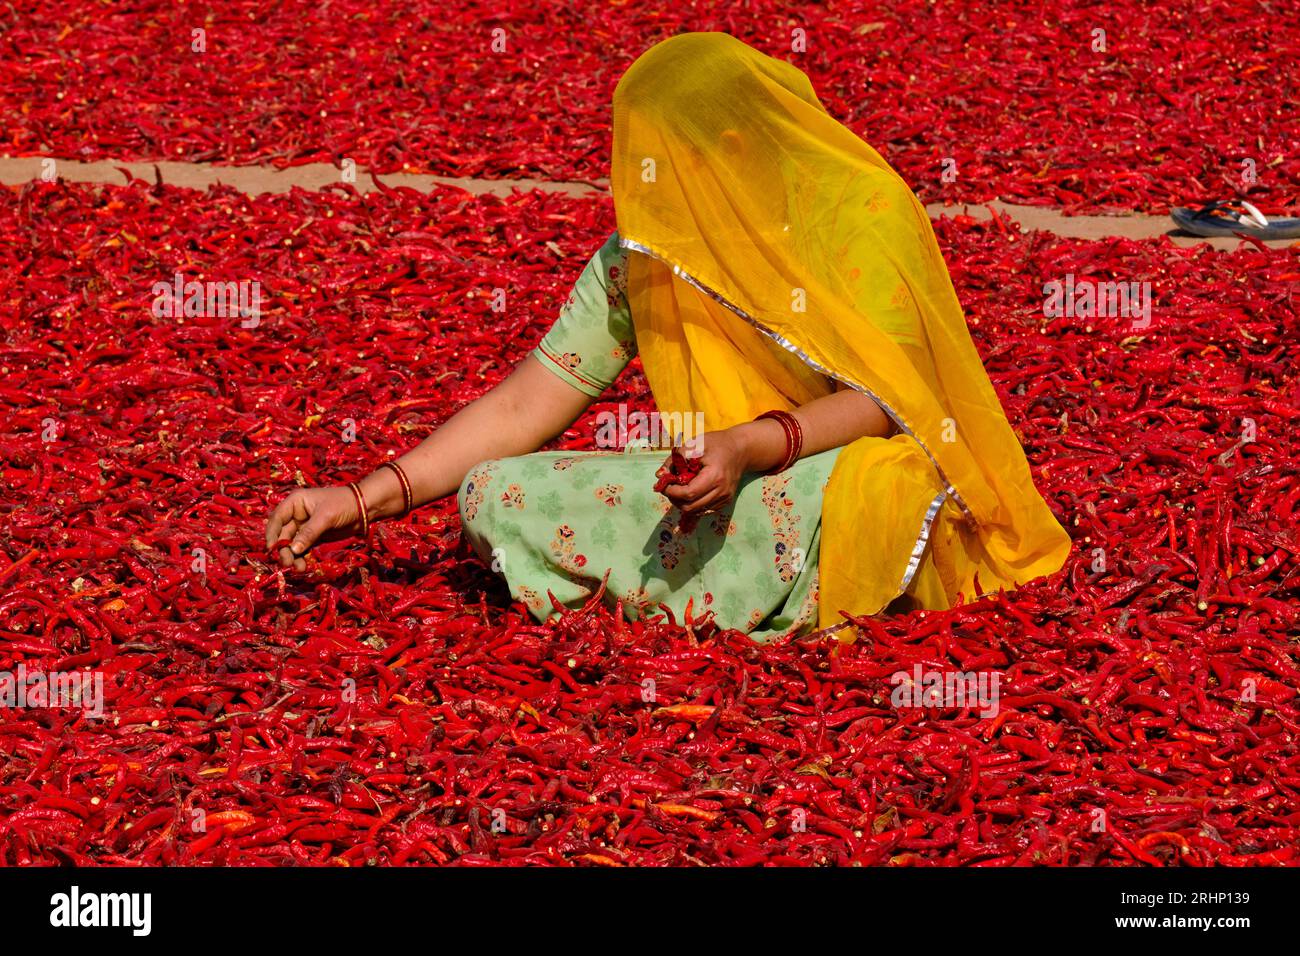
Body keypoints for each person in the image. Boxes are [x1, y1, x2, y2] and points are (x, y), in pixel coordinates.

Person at [264, 32, 1070, 642]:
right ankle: (764, 595)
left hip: (852, 474)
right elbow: (522, 407)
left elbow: (895, 402)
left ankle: (775, 584)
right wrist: (361, 499)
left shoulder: (858, 219)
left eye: (660, 160)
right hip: (727, 482)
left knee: (889, 490)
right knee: (494, 495)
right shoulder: (645, 259)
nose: (640, 183)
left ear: (730, 146)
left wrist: (750, 446)